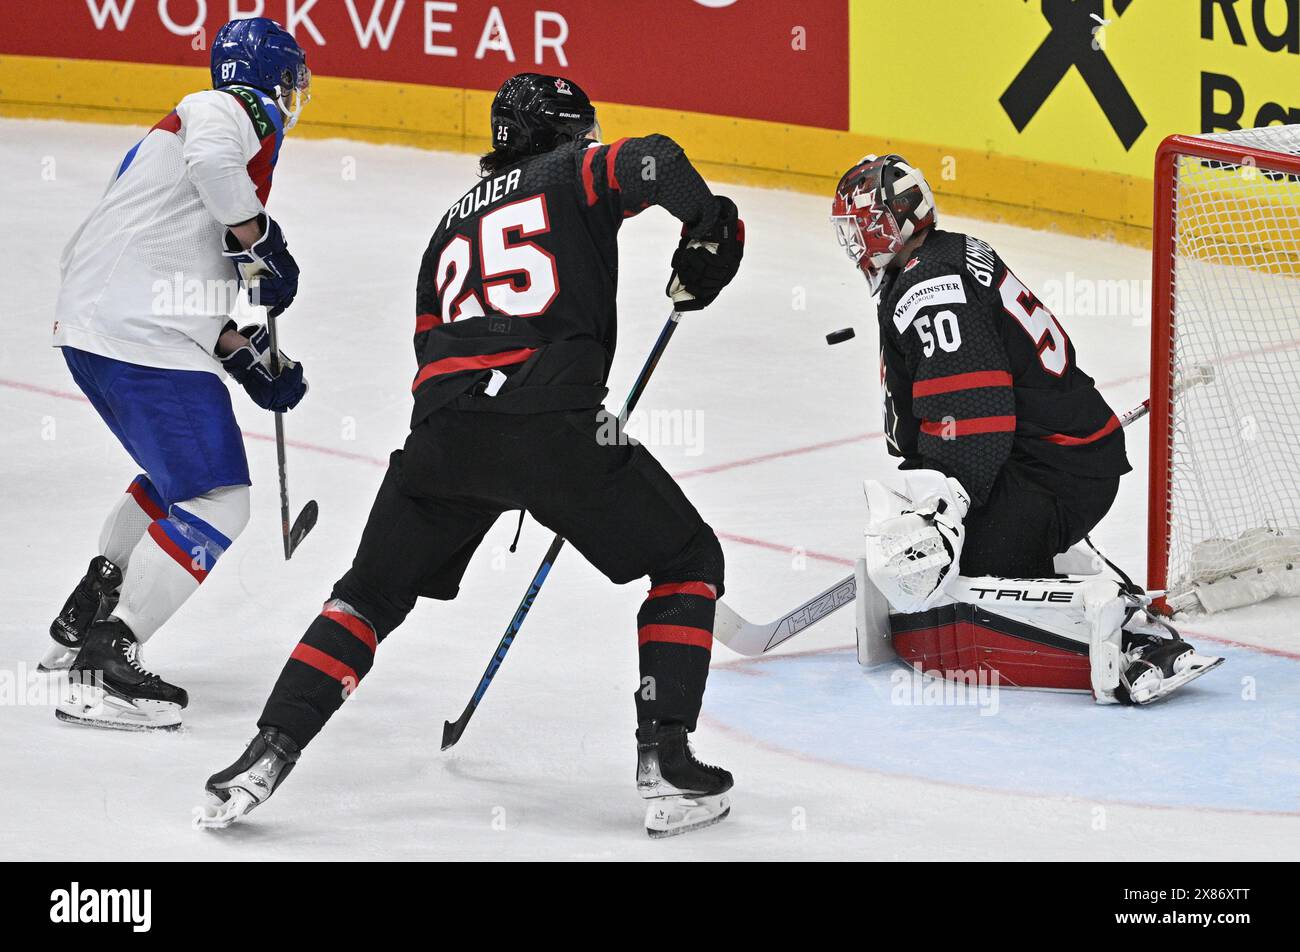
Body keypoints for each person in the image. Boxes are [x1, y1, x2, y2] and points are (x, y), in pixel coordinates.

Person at [199, 73, 744, 837]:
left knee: (367, 596)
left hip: (446, 437)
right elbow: (651, 159)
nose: (589, 142)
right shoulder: (570, 171)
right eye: (581, 131)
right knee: (688, 558)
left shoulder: (446, 230)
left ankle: (265, 751)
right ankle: (667, 761)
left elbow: (431, 348)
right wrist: (709, 223)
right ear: (563, 134)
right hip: (555, 427)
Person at [833, 154, 1221, 704]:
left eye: (859, 228)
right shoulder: (948, 253)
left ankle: (1126, 635)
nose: (854, 245)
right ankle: (1089, 586)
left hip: (1049, 470)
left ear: (888, 222)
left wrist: (945, 512)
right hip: (1059, 456)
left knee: (952, 577)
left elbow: (974, 420)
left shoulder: (930, 288)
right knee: (938, 562)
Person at [45, 17, 311, 731]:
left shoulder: (166, 147)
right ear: (271, 80)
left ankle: (97, 600)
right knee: (220, 498)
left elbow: (165, 261)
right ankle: (111, 657)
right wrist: (262, 241)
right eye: (289, 82)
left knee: (174, 480)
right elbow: (218, 173)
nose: (290, 98)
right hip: (138, 337)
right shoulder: (226, 110)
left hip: (101, 329)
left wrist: (242, 353)